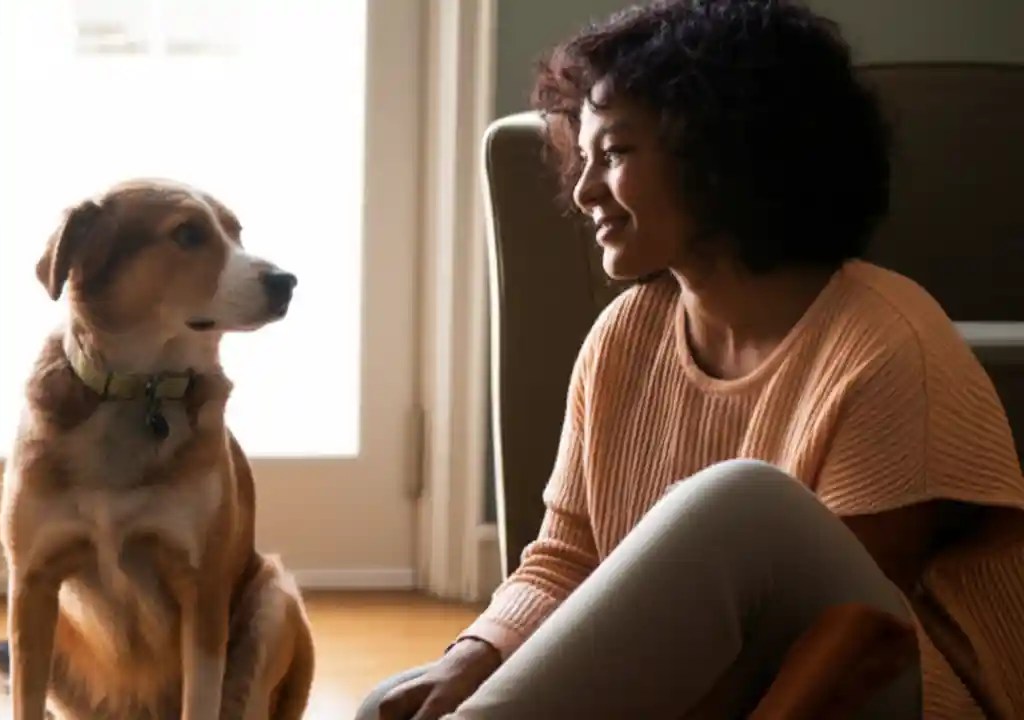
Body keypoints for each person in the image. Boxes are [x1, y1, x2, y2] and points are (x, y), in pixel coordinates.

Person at [355, 1, 1024, 718]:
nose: (583, 194)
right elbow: (566, 560)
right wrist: (470, 660)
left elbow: (854, 642)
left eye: (611, 155)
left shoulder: (889, 345)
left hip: (876, 693)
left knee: (746, 501)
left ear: (724, 150)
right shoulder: (626, 336)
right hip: (712, 690)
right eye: (582, 161)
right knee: (388, 708)